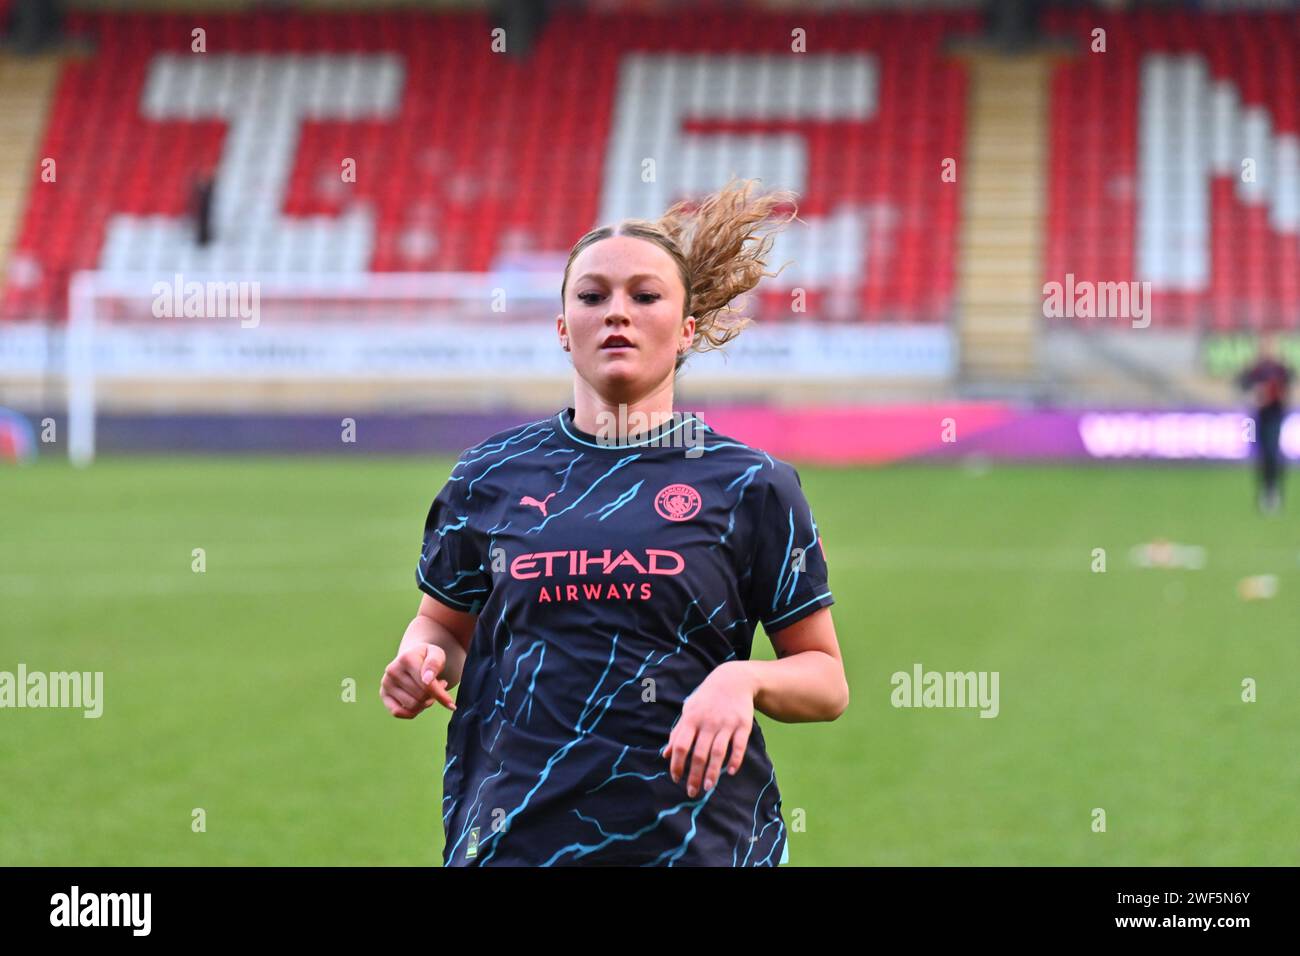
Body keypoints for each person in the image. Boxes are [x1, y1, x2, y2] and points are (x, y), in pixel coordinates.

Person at [381, 178, 849, 866]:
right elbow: (444, 629)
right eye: (593, 296)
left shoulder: (751, 484)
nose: (617, 314)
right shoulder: (488, 477)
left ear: (687, 328)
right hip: (514, 844)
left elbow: (825, 680)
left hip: (700, 847)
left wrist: (742, 680)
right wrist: (419, 659)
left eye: (645, 296)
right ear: (563, 328)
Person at [1236, 333, 1292, 514]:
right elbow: (1242, 384)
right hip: (1258, 416)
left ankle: (1273, 492)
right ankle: (1265, 491)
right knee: (1262, 454)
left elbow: (1288, 386)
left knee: (1272, 452)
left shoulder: (1280, 368)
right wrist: (1254, 394)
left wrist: (1279, 395)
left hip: (1275, 414)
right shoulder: (1256, 369)